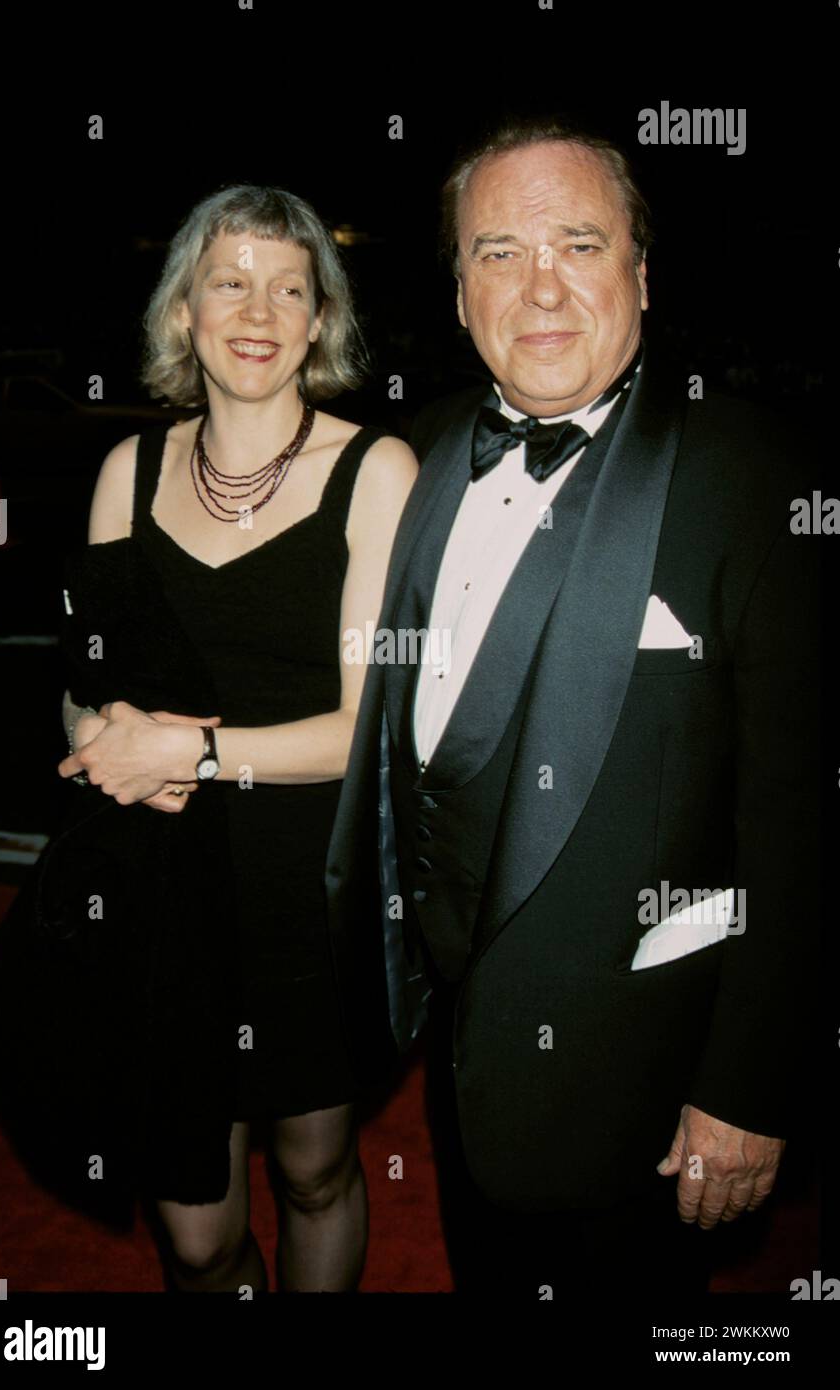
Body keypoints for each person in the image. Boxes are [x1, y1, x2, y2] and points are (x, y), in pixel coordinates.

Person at [323, 118, 820, 1297]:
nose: (537, 285)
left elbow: (799, 821)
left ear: (641, 275)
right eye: (496, 252)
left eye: (578, 244)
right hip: (455, 1054)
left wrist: (747, 1089)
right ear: (456, 293)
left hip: (645, 1083)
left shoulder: (756, 481)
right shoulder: (419, 455)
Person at [44, 183, 417, 1292]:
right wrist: (103, 735)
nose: (258, 309)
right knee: (198, 1238)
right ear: (183, 314)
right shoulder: (130, 472)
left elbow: (369, 730)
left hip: (308, 890)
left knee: (313, 1175)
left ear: (319, 321)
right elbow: (82, 694)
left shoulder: (375, 471)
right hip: (165, 895)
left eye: (287, 288)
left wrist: (195, 755)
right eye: (229, 281)